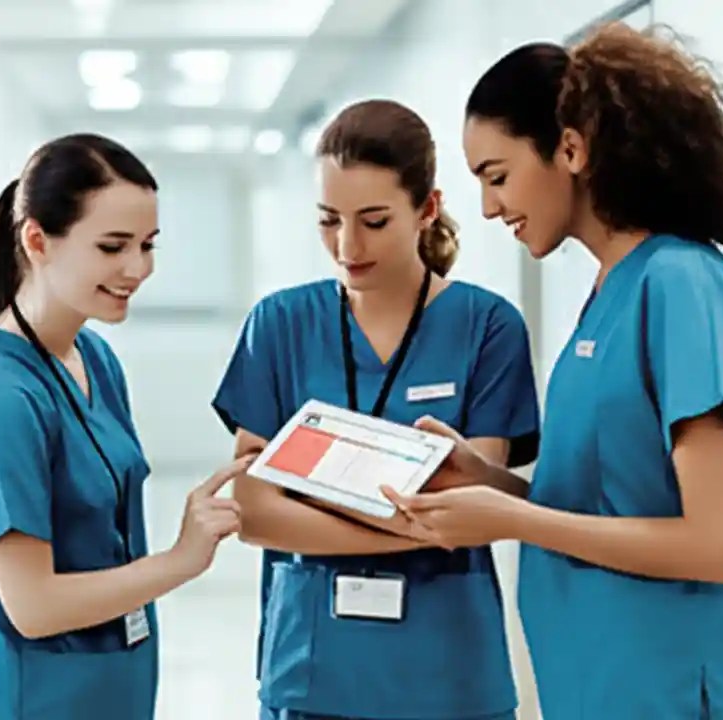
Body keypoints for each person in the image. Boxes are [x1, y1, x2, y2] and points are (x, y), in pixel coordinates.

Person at [386, 22, 723, 719]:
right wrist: (487, 480)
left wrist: (510, 517)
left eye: (496, 176)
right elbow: (608, 498)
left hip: (667, 692)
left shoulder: (681, 284)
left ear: (571, 148)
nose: (488, 207)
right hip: (594, 686)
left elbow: (718, 544)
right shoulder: (608, 293)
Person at [213, 99, 542, 720]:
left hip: (448, 675)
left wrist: (313, 502)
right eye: (328, 220)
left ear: (427, 210)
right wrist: (414, 525)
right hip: (312, 673)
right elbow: (253, 511)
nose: (347, 245)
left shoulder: (487, 327)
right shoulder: (280, 325)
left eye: (373, 220)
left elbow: (470, 508)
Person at [0, 133, 252, 719]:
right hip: (33, 702)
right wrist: (179, 561)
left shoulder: (94, 359)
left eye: (148, 245)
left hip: (112, 692)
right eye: (112, 247)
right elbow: (32, 605)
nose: (137, 269)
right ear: (37, 241)